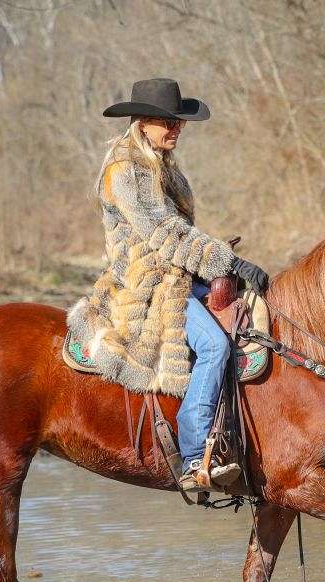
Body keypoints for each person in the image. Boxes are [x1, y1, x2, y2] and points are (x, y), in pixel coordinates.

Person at [66, 78, 269, 492]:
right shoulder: (127, 170)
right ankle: (196, 457)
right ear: (142, 122)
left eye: (178, 122)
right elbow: (164, 232)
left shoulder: (163, 165)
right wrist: (226, 262)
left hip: (175, 276)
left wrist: (220, 267)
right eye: (166, 121)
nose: (175, 129)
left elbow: (180, 234)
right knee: (213, 345)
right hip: (147, 286)